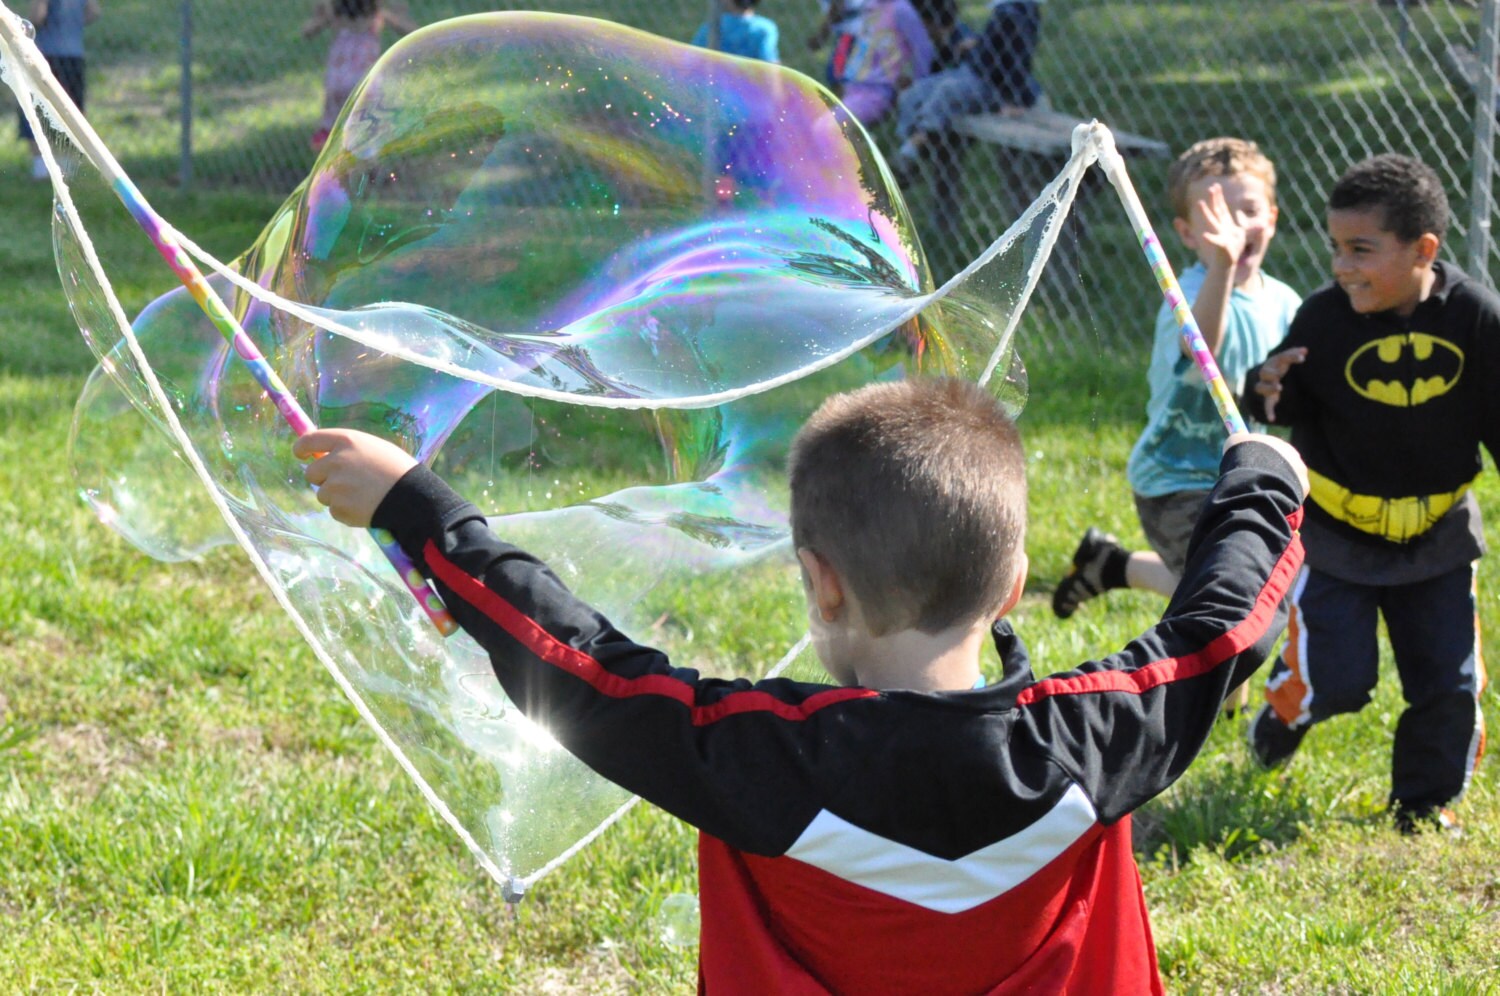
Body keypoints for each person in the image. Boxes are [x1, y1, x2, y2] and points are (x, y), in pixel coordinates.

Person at [294, 376, 1307, 991]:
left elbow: (579, 662)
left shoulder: (758, 755)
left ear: (819, 585)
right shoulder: (1095, 741)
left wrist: (419, 508)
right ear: (1011, 587)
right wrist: (1263, 477)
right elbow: (1223, 625)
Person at [1241, 153, 1499, 834]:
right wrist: (1262, 388)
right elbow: (1277, 401)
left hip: (1439, 535)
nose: (1343, 266)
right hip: (1337, 536)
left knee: (1447, 682)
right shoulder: (1324, 320)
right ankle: (1290, 707)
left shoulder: (1475, 318)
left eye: (1362, 250)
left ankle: (1422, 803)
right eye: (1336, 248)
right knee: (1341, 678)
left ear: (1424, 250)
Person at [1052, 137, 1299, 710]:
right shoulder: (1188, 293)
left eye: (1250, 211)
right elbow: (1202, 349)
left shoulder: (1284, 302)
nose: (1238, 228)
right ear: (1188, 234)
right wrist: (1223, 266)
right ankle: (1218, 706)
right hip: (1176, 481)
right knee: (1236, 591)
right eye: (1218, 218)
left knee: (1226, 578)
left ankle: (1108, 564)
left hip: (1240, 476)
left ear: (1274, 217)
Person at [887, 0, 1043, 185]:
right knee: (916, 92)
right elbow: (998, 44)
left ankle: (913, 149)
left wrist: (1015, 100)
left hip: (993, 86)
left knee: (947, 92)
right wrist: (979, 43)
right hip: (972, 71)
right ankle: (908, 147)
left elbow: (1019, 58)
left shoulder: (1015, 12)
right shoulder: (1003, 9)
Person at [302, 0, 416, 151]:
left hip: (337, 81)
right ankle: (367, 162)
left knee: (334, 127)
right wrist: (396, 10)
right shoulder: (377, 17)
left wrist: (322, 11)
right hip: (365, 82)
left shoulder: (335, 18)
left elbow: (307, 31)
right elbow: (412, 31)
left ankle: (334, 159)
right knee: (367, 128)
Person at [18, 0, 100, 182]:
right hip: (74, 52)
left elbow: (38, 15)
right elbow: (93, 12)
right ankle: (68, 167)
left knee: (35, 109)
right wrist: (70, 27)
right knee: (71, 111)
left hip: (46, 55)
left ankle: (40, 169)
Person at [824, 0, 933, 126]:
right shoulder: (871, 5)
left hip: (880, 89)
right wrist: (849, 78)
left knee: (826, 127)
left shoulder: (901, 10)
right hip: (856, 85)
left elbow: (923, 48)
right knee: (825, 126)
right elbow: (862, 46)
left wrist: (918, 84)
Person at [692, 0, 779, 63]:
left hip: (716, 85)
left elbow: (692, 61)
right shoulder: (764, 28)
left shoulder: (713, 26)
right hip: (751, 86)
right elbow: (770, 65)